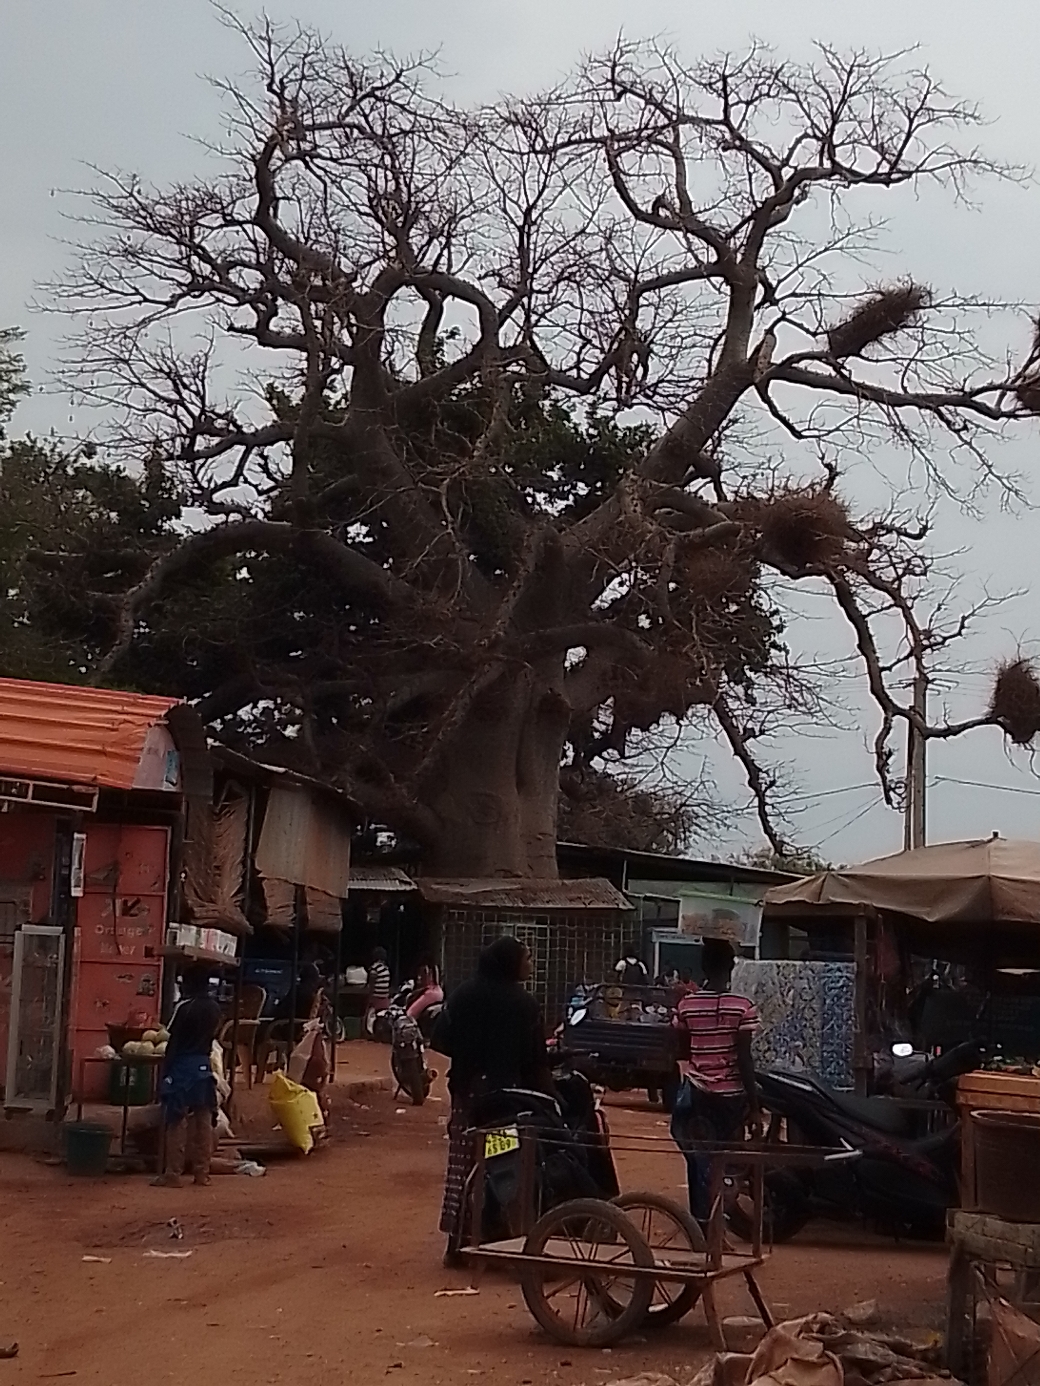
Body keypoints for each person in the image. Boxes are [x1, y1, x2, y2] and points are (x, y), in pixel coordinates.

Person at [431, 936, 553, 1266]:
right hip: (506, 1104)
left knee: (463, 1166)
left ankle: (457, 1244)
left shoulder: (463, 995)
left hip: (468, 1098)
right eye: (527, 958)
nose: (530, 964)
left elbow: (440, 1037)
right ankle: (503, 1240)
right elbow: (535, 1059)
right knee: (504, 1166)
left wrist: (470, 1057)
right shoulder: (524, 1004)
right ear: (511, 963)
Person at [670, 936, 760, 1226]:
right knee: (727, 1160)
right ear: (732, 967)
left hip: (698, 1096)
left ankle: (701, 1221)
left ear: (703, 967)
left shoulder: (687, 1006)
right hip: (732, 1099)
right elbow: (745, 1060)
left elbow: (682, 1049)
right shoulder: (743, 1006)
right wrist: (755, 1105)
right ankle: (721, 1213)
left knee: (699, 1158)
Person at [154, 965, 223, 1187]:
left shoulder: (184, 1007)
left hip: (182, 1068)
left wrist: (165, 1072)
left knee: (176, 1120)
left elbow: (173, 1041)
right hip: (203, 1067)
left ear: (190, 984)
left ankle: (172, 1173)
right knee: (204, 1120)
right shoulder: (214, 1008)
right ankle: (202, 1173)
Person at [366, 947, 392, 1015]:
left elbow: (372, 985)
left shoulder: (374, 968)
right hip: (385, 1000)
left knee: (366, 1017)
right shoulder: (386, 969)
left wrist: (369, 999)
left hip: (376, 1000)